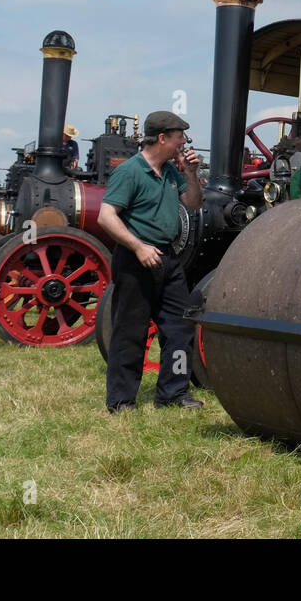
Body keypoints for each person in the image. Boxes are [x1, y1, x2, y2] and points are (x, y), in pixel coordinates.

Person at [97, 111, 203, 412]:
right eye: (180, 136)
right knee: (130, 329)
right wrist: (139, 246)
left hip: (168, 258)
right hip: (135, 259)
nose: (184, 141)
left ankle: (173, 394)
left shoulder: (171, 172)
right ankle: (121, 401)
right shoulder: (129, 172)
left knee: (180, 328)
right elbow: (106, 216)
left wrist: (192, 174)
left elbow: (194, 203)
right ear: (162, 138)